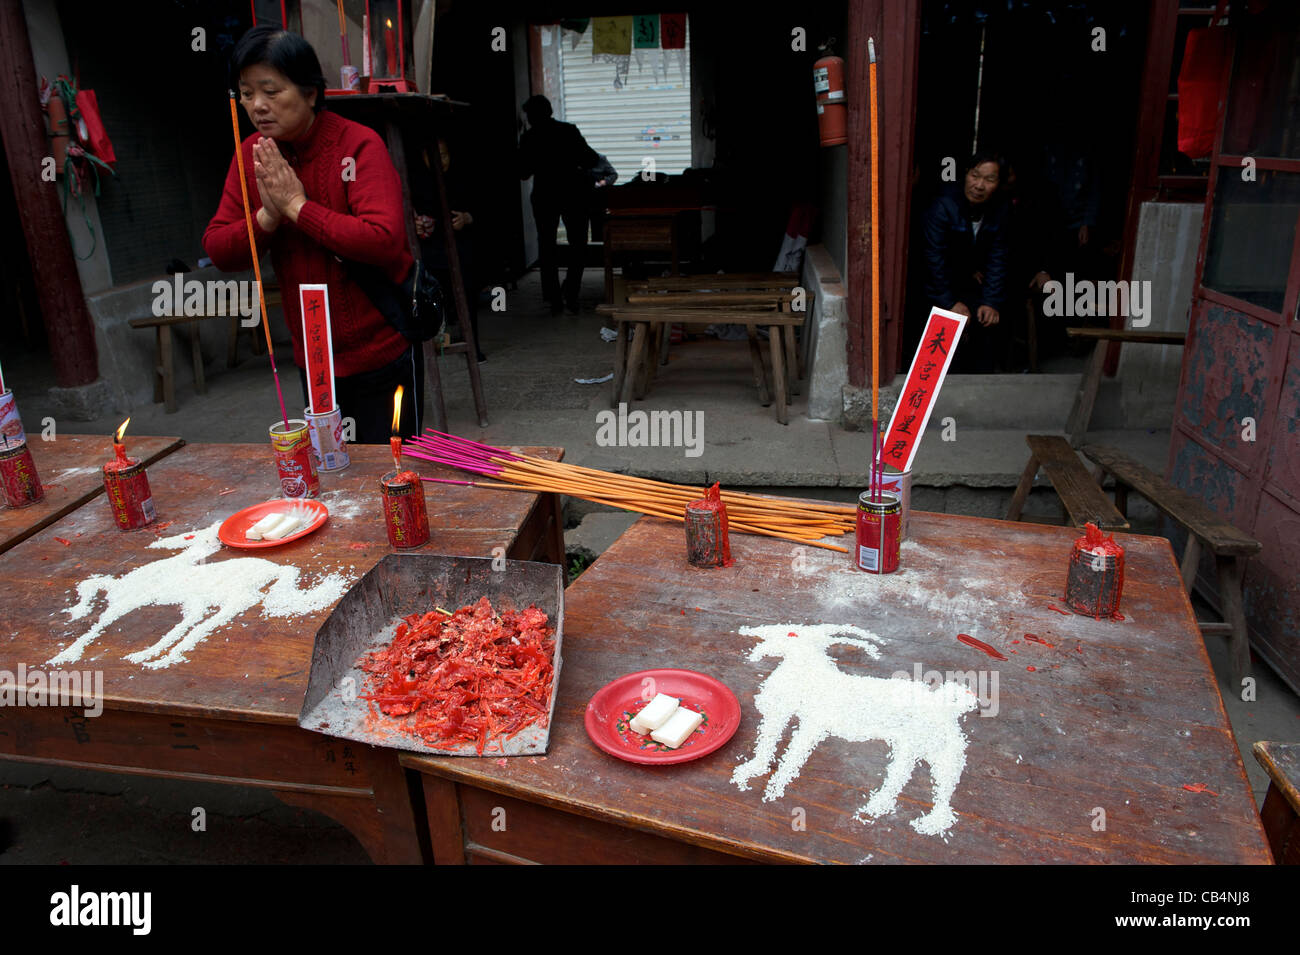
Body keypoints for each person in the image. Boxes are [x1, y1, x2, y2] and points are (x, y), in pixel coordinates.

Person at [203, 26, 422, 442]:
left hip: (381, 350)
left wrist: (298, 209)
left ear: (310, 91)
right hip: (315, 361)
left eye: (271, 90)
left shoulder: (357, 145)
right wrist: (269, 215)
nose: (257, 106)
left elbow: (382, 238)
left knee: (393, 471)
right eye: (247, 94)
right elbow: (219, 248)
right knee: (334, 475)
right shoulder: (252, 155)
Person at [921, 151, 1010, 373]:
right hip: (935, 288)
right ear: (966, 174)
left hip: (969, 283)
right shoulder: (944, 205)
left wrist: (991, 301)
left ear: (999, 184)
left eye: (989, 179)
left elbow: (998, 258)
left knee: (988, 322)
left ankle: (979, 390)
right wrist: (949, 303)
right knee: (943, 330)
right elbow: (933, 258)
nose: (979, 185)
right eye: (975, 175)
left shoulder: (1000, 210)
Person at [517, 94, 601, 315]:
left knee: (546, 246)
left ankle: (554, 299)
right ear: (551, 111)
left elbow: (523, 173)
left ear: (531, 117)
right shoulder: (569, 131)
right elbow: (591, 159)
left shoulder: (529, 138)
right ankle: (571, 293)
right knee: (578, 245)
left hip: (545, 196)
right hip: (573, 194)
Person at [414, 139, 485, 363]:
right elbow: (407, 212)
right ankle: (439, 344)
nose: (438, 161)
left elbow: (484, 208)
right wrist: (417, 223)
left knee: (467, 298)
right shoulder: (417, 182)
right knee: (435, 299)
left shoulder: (464, 178)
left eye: (443, 156)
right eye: (432, 156)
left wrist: (467, 217)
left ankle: (472, 345)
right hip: (432, 250)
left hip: (461, 248)